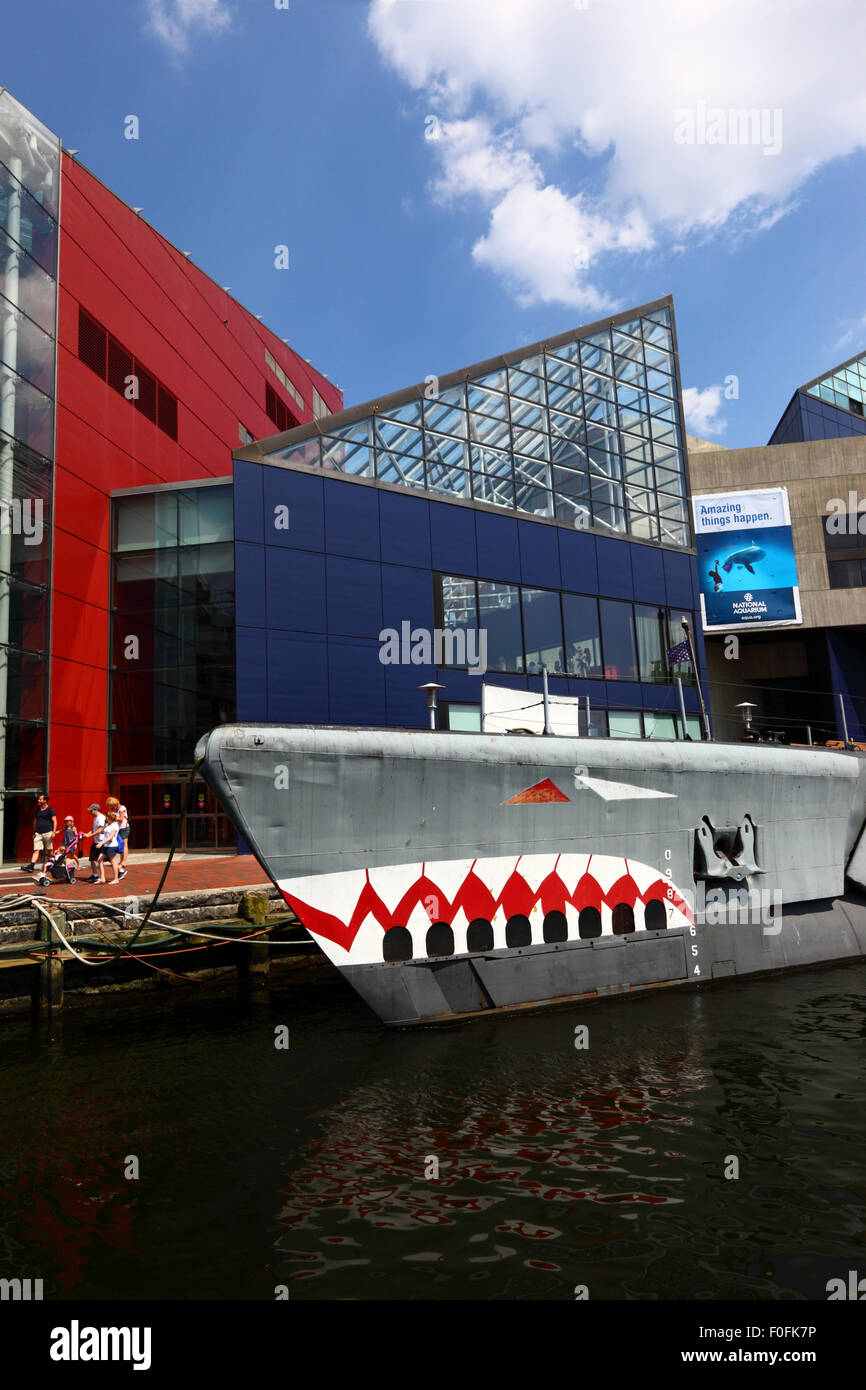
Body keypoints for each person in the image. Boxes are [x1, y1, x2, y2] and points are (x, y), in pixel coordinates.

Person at [21, 792, 57, 874]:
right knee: (36, 849)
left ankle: (51, 865)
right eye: (39, 799)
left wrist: (54, 832)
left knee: (49, 850)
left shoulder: (50, 810)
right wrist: (34, 832)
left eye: (40, 799)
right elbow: (35, 821)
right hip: (38, 833)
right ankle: (31, 866)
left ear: (45, 800)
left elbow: (55, 821)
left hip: (48, 833)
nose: (38, 800)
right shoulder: (37, 810)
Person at [93, 809, 122, 886]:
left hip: (111, 846)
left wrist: (101, 843)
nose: (105, 818)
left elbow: (111, 837)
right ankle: (102, 878)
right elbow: (102, 832)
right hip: (106, 845)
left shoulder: (115, 825)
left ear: (110, 817)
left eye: (107, 817)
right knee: (99, 860)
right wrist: (105, 824)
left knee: (112, 861)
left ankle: (116, 879)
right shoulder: (108, 824)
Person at [82, 802, 106, 883]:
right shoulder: (95, 817)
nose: (90, 812)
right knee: (92, 858)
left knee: (107, 860)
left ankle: (120, 870)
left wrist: (91, 835)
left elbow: (100, 830)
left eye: (91, 810)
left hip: (101, 842)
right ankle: (95, 875)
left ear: (95, 810)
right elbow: (94, 829)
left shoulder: (101, 817)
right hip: (96, 842)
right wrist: (87, 834)